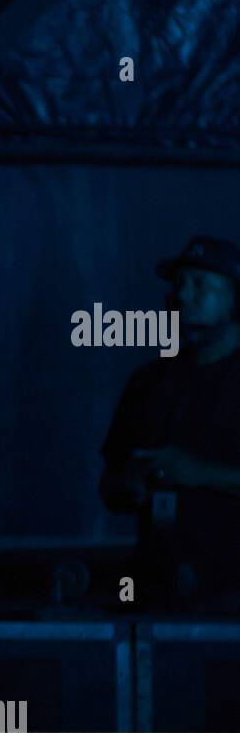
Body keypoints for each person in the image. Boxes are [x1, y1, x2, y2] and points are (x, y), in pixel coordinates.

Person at [101, 235, 240, 605]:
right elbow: (109, 484)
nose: (182, 296)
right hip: (156, 594)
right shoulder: (148, 383)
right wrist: (128, 482)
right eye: (179, 284)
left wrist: (200, 472)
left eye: (199, 284)